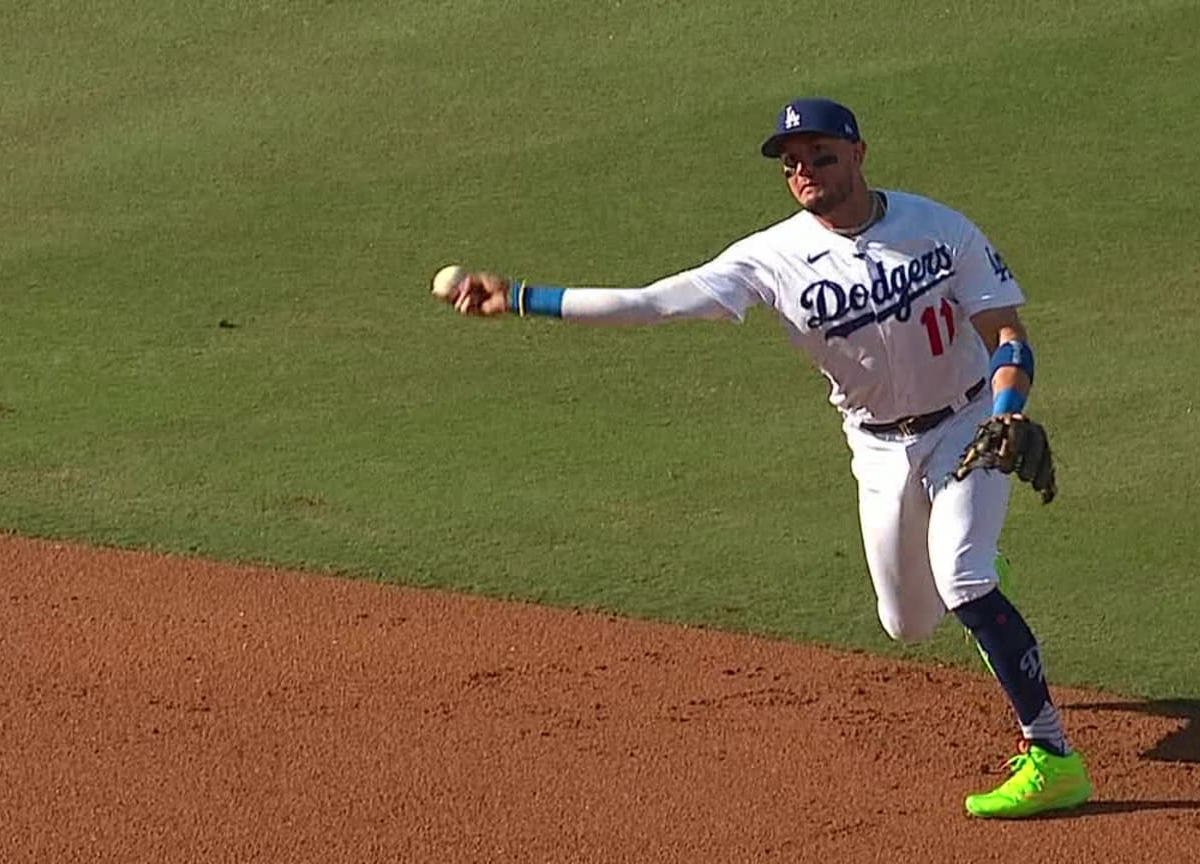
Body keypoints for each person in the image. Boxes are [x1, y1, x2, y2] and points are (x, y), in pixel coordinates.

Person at [436, 98, 1092, 819]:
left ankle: (1052, 755)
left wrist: (1007, 414)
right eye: (792, 164)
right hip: (876, 445)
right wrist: (523, 297)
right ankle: (968, 559)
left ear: (858, 153)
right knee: (907, 623)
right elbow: (653, 302)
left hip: (969, 422)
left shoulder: (938, 227)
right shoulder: (770, 258)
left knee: (964, 581)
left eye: (820, 156)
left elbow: (1006, 333)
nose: (805, 171)